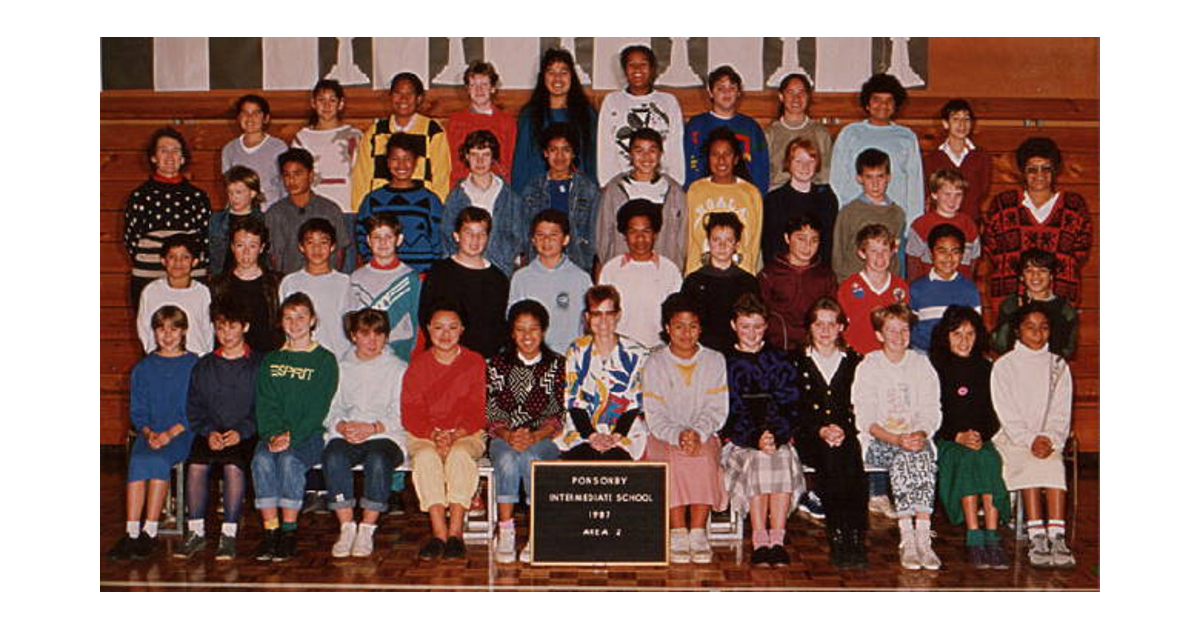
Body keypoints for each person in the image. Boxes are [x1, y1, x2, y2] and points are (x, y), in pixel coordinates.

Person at [851, 303, 942, 570]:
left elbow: (931, 409)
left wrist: (920, 433)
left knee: (919, 455)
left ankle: (923, 538)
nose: (899, 336)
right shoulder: (869, 365)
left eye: (904, 329)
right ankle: (908, 539)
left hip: (916, 439)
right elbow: (865, 418)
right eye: (891, 330)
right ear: (879, 334)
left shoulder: (921, 364)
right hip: (879, 440)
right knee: (905, 457)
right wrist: (897, 439)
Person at [251, 292, 339, 562]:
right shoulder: (271, 360)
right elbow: (265, 403)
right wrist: (272, 434)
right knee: (261, 461)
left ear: (312, 320)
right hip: (273, 434)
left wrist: (292, 436)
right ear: (281, 322)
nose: (295, 323)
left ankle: (289, 531)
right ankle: (271, 531)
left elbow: (319, 406)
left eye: (301, 317)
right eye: (288, 317)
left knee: (289, 461)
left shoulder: (324, 360)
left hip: (308, 435)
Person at [107, 305, 199, 560]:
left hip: (181, 432)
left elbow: (196, 409)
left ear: (184, 332)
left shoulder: (194, 365)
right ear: (154, 332)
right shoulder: (144, 367)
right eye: (161, 329)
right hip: (151, 433)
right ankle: (132, 532)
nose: (167, 336)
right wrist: (148, 433)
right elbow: (138, 410)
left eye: (174, 329)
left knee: (158, 460)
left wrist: (170, 434)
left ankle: (150, 530)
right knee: (138, 460)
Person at [643, 293, 729, 564]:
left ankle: (698, 532)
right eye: (679, 326)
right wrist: (677, 435)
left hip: (703, 433)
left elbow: (717, 409)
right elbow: (654, 413)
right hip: (663, 435)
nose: (686, 333)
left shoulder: (715, 360)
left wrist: (697, 434)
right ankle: (678, 531)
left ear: (700, 328)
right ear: (667, 328)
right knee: (673, 458)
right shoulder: (655, 362)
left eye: (692, 326)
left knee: (703, 457)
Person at [720, 294, 804, 568]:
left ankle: (777, 539)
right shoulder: (724, 362)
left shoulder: (779, 360)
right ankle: (759, 539)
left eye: (757, 327)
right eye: (745, 326)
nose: (751, 333)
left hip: (776, 437)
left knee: (779, 456)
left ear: (766, 326)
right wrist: (755, 437)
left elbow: (790, 404)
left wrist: (775, 435)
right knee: (758, 459)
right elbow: (728, 409)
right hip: (741, 440)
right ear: (734, 325)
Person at [991, 302, 1076, 568]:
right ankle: (1037, 535)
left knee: (1052, 464)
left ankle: (1057, 536)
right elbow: (1005, 410)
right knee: (1029, 462)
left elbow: (1061, 411)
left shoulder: (1058, 366)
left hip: (1048, 439)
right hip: (1012, 438)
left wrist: (1048, 438)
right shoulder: (1004, 366)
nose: (1038, 333)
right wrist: (1030, 439)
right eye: (1030, 327)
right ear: (1018, 331)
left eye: (1044, 327)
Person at [175, 298, 261, 560]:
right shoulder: (204, 366)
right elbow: (194, 407)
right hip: (211, 432)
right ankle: (196, 531)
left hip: (245, 434)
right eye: (220, 328)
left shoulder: (259, 365)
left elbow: (264, 407)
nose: (226, 334)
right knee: (196, 464)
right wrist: (209, 431)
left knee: (233, 465)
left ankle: (229, 533)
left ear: (245, 327)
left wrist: (242, 432)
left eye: (232, 327)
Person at [402, 303, 487, 561]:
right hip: (425, 434)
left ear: (462, 330)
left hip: (466, 433)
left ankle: (455, 533)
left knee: (460, 456)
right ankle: (438, 533)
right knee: (426, 458)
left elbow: (478, 408)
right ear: (428, 330)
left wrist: (455, 434)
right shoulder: (417, 365)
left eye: (452, 327)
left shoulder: (474, 362)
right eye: (439, 328)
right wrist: (434, 435)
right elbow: (411, 411)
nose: (445, 334)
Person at [929, 306, 1010, 569]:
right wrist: (957, 436)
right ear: (946, 336)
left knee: (988, 461)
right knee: (966, 461)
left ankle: (992, 536)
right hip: (949, 439)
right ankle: (974, 536)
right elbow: (933, 412)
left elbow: (994, 411)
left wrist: (979, 435)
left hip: (980, 438)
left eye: (970, 334)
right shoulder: (935, 368)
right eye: (957, 334)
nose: (964, 341)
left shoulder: (986, 368)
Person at [322, 308, 407, 559]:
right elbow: (331, 408)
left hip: (385, 436)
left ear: (386, 337)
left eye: (379, 334)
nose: (372, 340)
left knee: (377, 460)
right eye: (365, 334)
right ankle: (347, 527)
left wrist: (373, 428)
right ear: (353, 336)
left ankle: (367, 529)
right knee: (334, 456)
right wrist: (341, 426)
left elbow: (401, 413)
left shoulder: (398, 368)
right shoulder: (341, 367)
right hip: (347, 433)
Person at [486, 300, 565, 563]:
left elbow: (559, 413)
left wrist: (535, 436)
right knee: (508, 458)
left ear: (543, 331)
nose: (527, 336)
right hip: (504, 436)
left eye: (533, 329)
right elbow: (491, 411)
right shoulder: (496, 365)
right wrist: (509, 435)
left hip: (545, 438)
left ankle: (536, 532)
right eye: (520, 329)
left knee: (532, 458)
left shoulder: (558, 365)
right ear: (512, 332)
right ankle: (506, 531)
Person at [793, 297, 868, 568]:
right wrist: (820, 430)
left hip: (846, 434)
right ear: (809, 327)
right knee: (832, 455)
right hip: (810, 435)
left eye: (831, 324)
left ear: (841, 327)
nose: (825, 330)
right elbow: (794, 408)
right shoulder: (796, 361)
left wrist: (843, 430)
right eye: (818, 324)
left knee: (849, 457)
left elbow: (863, 403)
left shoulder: (854, 361)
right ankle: (838, 535)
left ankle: (855, 537)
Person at [983, 136, 1093, 309]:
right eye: (1032, 169)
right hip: (1011, 299)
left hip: (1060, 298)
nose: (1039, 175)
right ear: (1023, 172)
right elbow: (991, 247)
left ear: (1054, 171)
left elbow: (1081, 251)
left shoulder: (1073, 206)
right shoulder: (1003, 205)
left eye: (1046, 168)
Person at [557, 285, 650, 461]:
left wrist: (615, 437)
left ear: (618, 315)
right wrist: (592, 436)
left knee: (615, 459)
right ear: (587, 317)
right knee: (585, 457)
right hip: (582, 430)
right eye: (597, 314)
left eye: (609, 313)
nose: (603, 321)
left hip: (624, 432)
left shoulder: (637, 353)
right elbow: (573, 401)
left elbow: (635, 403)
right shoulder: (576, 350)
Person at [829, 74, 924, 239]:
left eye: (889, 100)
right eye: (877, 100)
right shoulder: (850, 133)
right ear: (867, 103)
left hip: (893, 221)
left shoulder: (907, 136)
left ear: (896, 104)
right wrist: (842, 216)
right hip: (857, 219)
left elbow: (915, 184)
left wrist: (911, 226)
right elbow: (837, 180)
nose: (883, 105)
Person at [123, 126, 211, 304]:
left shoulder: (198, 196)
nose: (170, 156)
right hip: (149, 275)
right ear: (153, 157)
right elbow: (131, 239)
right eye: (163, 150)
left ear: (183, 158)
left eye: (175, 150)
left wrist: (186, 264)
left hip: (190, 276)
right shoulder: (139, 196)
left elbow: (205, 238)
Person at [292, 79, 364, 273]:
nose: (326, 105)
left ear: (341, 104)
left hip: (346, 208)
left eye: (332, 100)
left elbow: (361, 173)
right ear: (313, 103)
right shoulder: (302, 137)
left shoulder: (354, 135)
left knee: (345, 264)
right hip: (314, 208)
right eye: (321, 100)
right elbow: (297, 176)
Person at [351, 72, 451, 209]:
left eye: (410, 94)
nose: (403, 99)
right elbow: (362, 178)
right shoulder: (375, 132)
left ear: (419, 98)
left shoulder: (432, 131)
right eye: (398, 93)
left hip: (420, 209)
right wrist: (359, 211)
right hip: (381, 209)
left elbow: (441, 178)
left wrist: (438, 211)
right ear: (390, 96)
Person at [419, 207, 509, 358]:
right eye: (469, 233)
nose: (475, 239)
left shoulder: (498, 279)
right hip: (445, 357)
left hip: (484, 359)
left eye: (481, 234)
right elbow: (425, 317)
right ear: (456, 236)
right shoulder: (439, 272)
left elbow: (499, 325)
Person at [594, 127, 689, 272]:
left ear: (661, 153)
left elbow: (682, 240)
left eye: (652, 150)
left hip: (663, 273)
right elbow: (603, 239)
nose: (646, 157)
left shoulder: (674, 192)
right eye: (639, 151)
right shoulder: (614, 190)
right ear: (630, 154)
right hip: (623, 272)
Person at [356, 133, 447, 274]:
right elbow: (362, 238)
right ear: (387, 162)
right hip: (382, 276)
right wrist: (376, 268)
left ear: (416, 162)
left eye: (407, 159)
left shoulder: (430, 200)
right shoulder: (372, 200)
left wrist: (433, 273)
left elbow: (440, 241)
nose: (401, 165)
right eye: (395, 159)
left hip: (421, 276)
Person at [598, 200, 682, 349]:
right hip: (620, 349)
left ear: (655, 234)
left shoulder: (670, 271)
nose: (640, 238)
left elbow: (677, 318)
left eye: (646, 231)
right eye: (633, 232)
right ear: (624, 235)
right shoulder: (611, 270)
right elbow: (603, 315)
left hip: (659, 349)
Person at [597, 44, 685, 186]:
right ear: (624, 69)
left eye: (643, 64)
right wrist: (608, 184)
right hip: (622, 184)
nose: (637, 69)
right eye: (631, 65)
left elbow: (675, 147)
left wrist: (674, 183)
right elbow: (605, 146)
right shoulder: (612, 101)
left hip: (660, 183)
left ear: (652, 69)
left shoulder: (668, 101)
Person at [513, 48, 597, 195]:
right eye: (551, 72)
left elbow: (592, 160)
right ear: (543, 77)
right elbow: (521, 162)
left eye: (563, 72)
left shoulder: (586, 114)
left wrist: (592, 194)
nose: (557, 78)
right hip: (539, 195)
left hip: (577, 195)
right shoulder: (530, 115)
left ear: (572, 76)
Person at [507, 209, 592, 354]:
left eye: (553, 235)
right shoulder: (521, 278)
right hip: (533, 356)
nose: (546, 241)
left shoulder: (581, 278)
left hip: (570, 356)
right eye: (540, 235)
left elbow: (589, 322)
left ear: (565, 239)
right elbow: (514, 321)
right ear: (533, 240)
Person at [519, 122, 600, 273]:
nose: (560, 156)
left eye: (566, 150)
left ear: (574, 153)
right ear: (545, 153)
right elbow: (525, 233)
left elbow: (593, 234)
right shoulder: (532, 189)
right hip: (539, 264)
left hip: (578, 264)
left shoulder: (588, 190)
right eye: (553, 150)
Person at [442, 129, 522, 275]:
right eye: (474, 155)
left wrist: (507, 260)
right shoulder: (456, 197)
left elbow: (519, 237)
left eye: (486, 155)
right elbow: (447, 238)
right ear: (467, 156)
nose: (480, 161)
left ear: (493, 158)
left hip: (501, 270)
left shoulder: (509, 197)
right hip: (464, 271)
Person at [685, 127, 763, 275]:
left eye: (727, 154)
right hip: (700, 275)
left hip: (739, 275)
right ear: (708, 158)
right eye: (715, 154)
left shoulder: (751, 193)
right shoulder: (695, 191)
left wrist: (748, 275)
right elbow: (688, 240)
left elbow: (754, 244)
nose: (721, 160)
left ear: (736, 158)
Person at [684, 65, 770, 195]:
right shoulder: (696, 125)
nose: (726, 93)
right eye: (720, 88)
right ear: (710, 92)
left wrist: (757, 197)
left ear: (739, 92)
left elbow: (761, 168)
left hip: (742, 197)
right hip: (704, 195)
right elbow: (688, 164)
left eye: (732, 88)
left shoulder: (751, 127)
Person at [680, 212, 760, 353]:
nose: (722, 246)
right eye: (716, 239)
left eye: (729, 240)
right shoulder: (694, 281)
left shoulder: (748, 282)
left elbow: (755, 323)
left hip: (739, 352)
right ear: (708, 242)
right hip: (702, 352)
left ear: (737, 244)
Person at [758, 213, 837, 352]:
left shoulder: (826, 276)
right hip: (778, 348)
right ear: (787, 238)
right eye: (801, 239)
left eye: (814, 240)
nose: (808, 246)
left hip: (815, 348)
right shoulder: (769, 274)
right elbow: (760, 315)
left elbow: (833, 314)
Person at [266, 148, 351, 274]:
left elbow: (339, 252)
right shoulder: (275, 213)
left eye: (297, 174)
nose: (291, 180)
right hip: (289, 280)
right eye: (287, 175)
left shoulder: (329, 210)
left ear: (310, 175)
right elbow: (273, 256)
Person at [348, 214, 422, 362]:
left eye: (388, 237)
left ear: (399, 240)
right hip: (366, 350)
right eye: (377, 237)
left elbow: (417, 322)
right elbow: (353, 321)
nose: (383, 242)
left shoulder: (411, 278)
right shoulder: (356, 278)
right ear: (368, 241)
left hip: (400, 349)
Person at [279, 218, 353, 360]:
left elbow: (351, 325)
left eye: (323, 242)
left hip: (338, 358)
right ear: (301, 247)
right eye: (310, 242)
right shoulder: (289, 282)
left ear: (332, 246)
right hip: (300, 358)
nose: (317, 249)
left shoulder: (345, 283)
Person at [209, 215, 284, 354]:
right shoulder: (218, 285)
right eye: (240, 245)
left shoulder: (277, 283)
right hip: (232, 357)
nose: (246, 252)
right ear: (232, 247)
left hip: (269, 357)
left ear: (261, 248)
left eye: (252, 246)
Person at [830, 148, 907, 282]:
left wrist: (895, 282)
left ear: (888, 177)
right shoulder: (849, 212)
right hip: (854, 284)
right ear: (859, 178)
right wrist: (843, 282)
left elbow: (896, 254)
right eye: (869, 177)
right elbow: (838, 253)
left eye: (880, 176)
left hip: (886, 284)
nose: (875, 183)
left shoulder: (897, 214)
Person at [990, 248, 1079, 359]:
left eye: (1042, 271)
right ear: (1021, 276)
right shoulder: (1011, 304)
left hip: (1049, 366)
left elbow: (1068, 349)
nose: (1035, 276)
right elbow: (1000, 344)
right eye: (1029, 271)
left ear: (1051, 276)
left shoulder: (1065, 310)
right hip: (1016, 364)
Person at [762, 137, 838, 265]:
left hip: (816, 270)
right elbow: (769, 246)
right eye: (798, 161)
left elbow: (827, 244)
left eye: (810, 161)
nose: (805, 167)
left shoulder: (827, 199)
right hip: (783, 270)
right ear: (789, 163)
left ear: (817, 163)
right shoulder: (773, 200)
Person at [836, 224, 909, 354]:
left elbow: (904, 327)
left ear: (892, 252)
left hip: (889, 356)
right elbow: (840, 327)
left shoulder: (900, 287)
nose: (880, 257)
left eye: (885, 250)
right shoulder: (847, 287)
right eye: (873, 251)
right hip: (857, 355)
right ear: (862, 253)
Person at [908, 223, 982, 352]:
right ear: (931, 254)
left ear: (962, 255)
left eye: (955, 251)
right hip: (924, 354)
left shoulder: (969, 289)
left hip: (958, 355)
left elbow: (974, 329)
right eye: (942, 251)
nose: (948, 257)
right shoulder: (916, 289)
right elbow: (911, 329)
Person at [137, 234, 214, 355]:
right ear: (163, 261)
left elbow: (208, 329)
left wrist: (203, 355)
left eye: (185, 257)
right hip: (162, 357)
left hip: (196, 358)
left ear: (195, 261)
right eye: (172, 257)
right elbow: (143, 327)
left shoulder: (203, 292)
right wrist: (154, 353)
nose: (178, 262)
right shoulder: (151, 291)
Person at [446, 60, 517, 185]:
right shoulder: (455, 122)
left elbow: (508, 162)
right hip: (463, 187)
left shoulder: (507, 122)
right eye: (473, 85)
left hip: (495, 186)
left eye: (484, 84)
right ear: (467, 89)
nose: (479, 90)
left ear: (493, 88)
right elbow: (453, 162)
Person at [906, 168, 981, 281]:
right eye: (947, 194)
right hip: (930, 285)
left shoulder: (969, 225)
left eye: (958, 195)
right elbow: (912, 261)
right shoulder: (921, 225)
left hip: (960, 285)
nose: (952, 200)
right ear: (934, 194)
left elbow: (974, 259)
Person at [923, 99, 990, 222]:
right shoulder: (931, 159)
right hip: (940, 222)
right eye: (956, 119)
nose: (962, 124)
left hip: (970, 220)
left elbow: (983, 190)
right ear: (945, 123)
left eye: (966, 119)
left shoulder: (981, 156)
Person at [765, 73, 832, 189]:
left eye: (802, 92)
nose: (796, 98)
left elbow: (826, 174)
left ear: (808, 97)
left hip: (812, 194)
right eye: (790, 92)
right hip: (777, 194)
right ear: (781, 96)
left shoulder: (821, 133)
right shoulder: (769, 134)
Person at [221, 94, 288, 208]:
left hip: (271, 211)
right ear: (238, 117)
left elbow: (284, 185)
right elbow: (229, 187)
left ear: (266, 118)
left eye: (256, 113)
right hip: (241, 212)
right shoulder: (229, 149)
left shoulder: (278, 147)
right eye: (245, 113)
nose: (250, 118)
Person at [209, 165, 266, 277]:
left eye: (238, 192)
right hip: (223, 277)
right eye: (230, 192)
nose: (233, 197)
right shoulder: (216, 220)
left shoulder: (264, 220)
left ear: (252, 193)